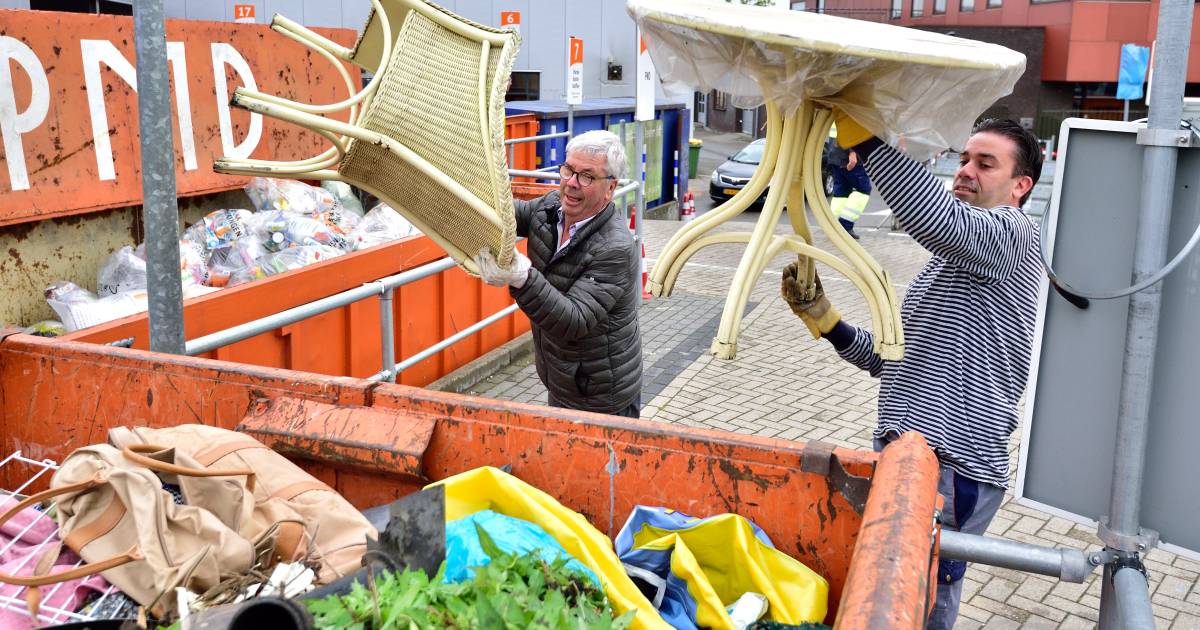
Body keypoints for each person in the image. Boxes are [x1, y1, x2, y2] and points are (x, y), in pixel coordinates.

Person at [782, 117, 1042, 630]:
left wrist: (865, 138)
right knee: (898, 588)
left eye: (985, 164)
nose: (965, 171)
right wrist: (826, 321)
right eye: (964, 159)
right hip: (911, 452)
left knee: (922, 598)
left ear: (1020, 186)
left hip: (954, 465)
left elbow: (936, 217)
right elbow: (895, 362)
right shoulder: (950, 265)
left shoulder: (1014, 236)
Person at [475, 130, 643, 418]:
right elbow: (506, 216)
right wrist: (468, 202)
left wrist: (521, 277)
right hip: (562, 379)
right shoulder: (550, 207)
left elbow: (573, 320)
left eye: (587, 176)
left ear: (610, 188)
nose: (571, 184)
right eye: (568, 170)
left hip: (602, 395)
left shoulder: (615, 248)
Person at [823, 126, 873, 239]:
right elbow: (850, 128)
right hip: (849, 158)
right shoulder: (853, 108)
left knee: (841, 193)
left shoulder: (838, 110)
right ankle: (845, 226)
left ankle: (834, 225)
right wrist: (852, 152)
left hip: (835, 156)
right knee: (864, 190)